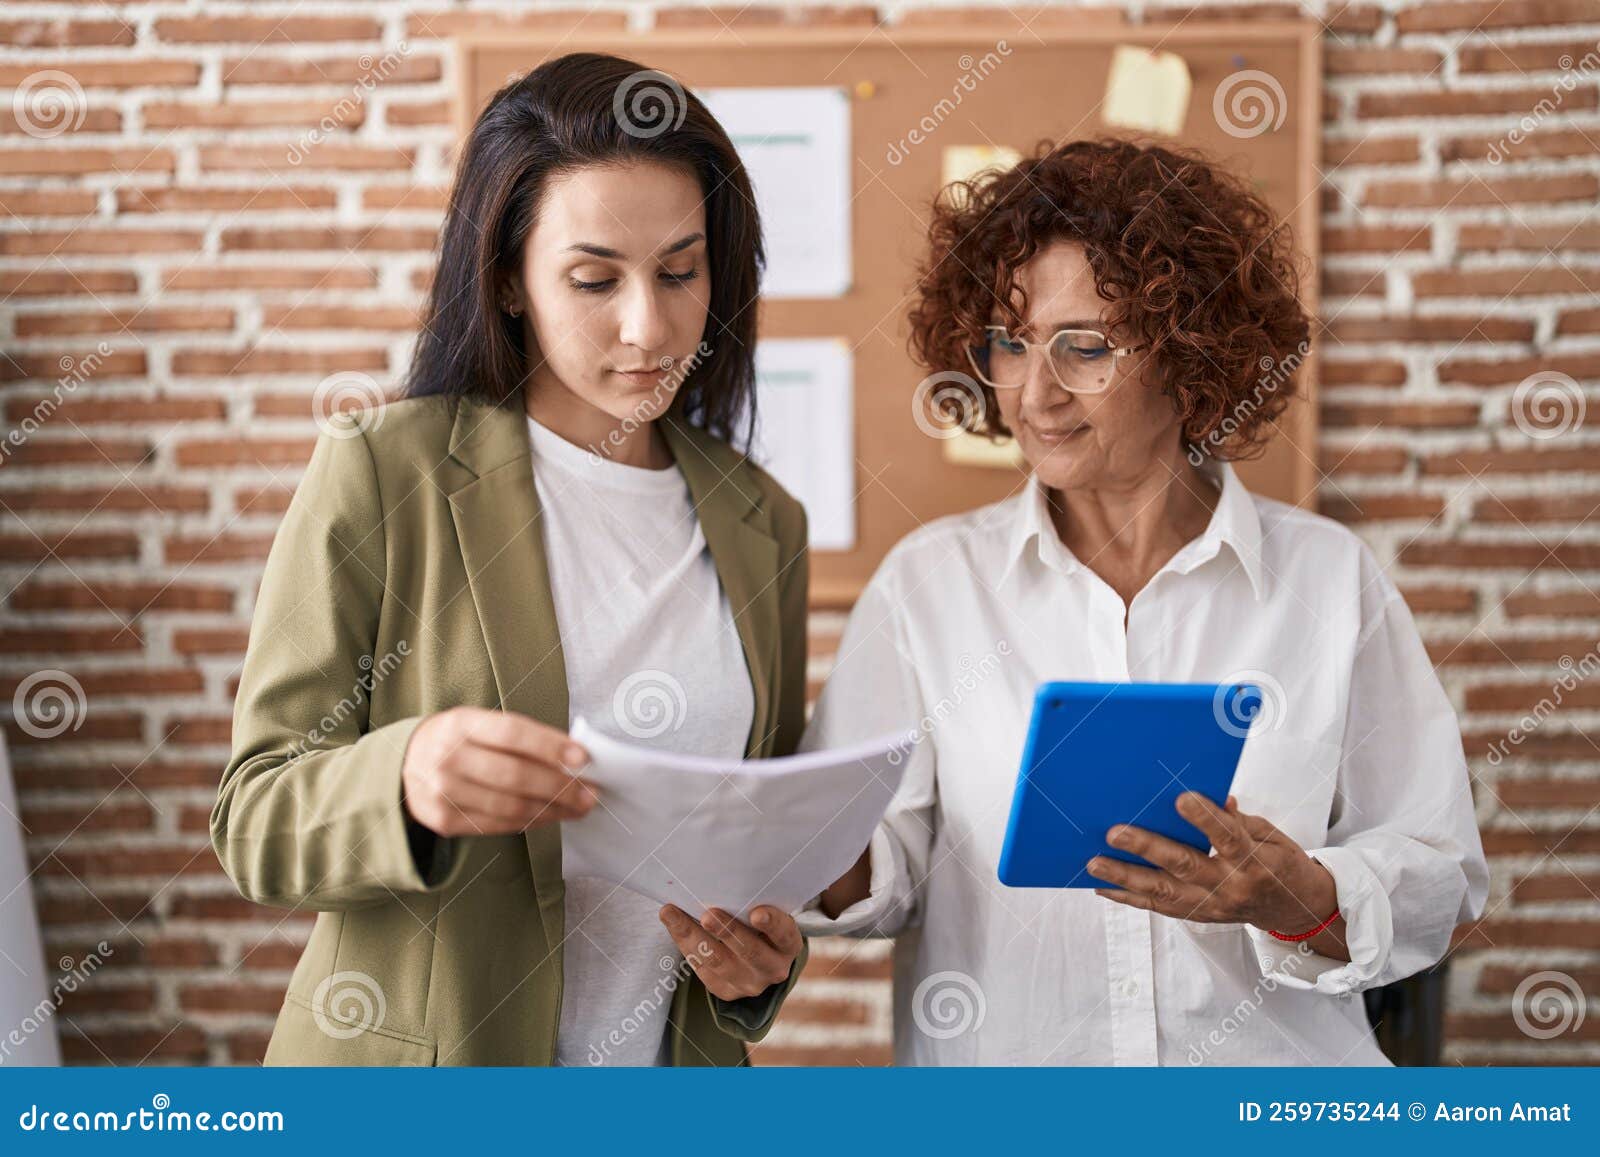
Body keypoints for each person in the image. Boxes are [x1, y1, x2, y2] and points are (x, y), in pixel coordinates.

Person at [799, 138, 1488, 1066]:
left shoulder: (1328, 581)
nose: (1034, 392)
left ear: (1188, 351)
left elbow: (1438, 871)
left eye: (1084, 347)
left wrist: (1308, 896)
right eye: (1010, 344)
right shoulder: (929, 587)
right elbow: (872, 865)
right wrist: (809, 851)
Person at [213, 53, 809, 1067]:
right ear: (508, 280)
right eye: (593, 278)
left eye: (679, 270)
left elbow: (757, 840)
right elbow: (254, 819)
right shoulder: (385, 473)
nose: (649, 325)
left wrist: (762, 964)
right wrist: (402, 777)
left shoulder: (762, 521)